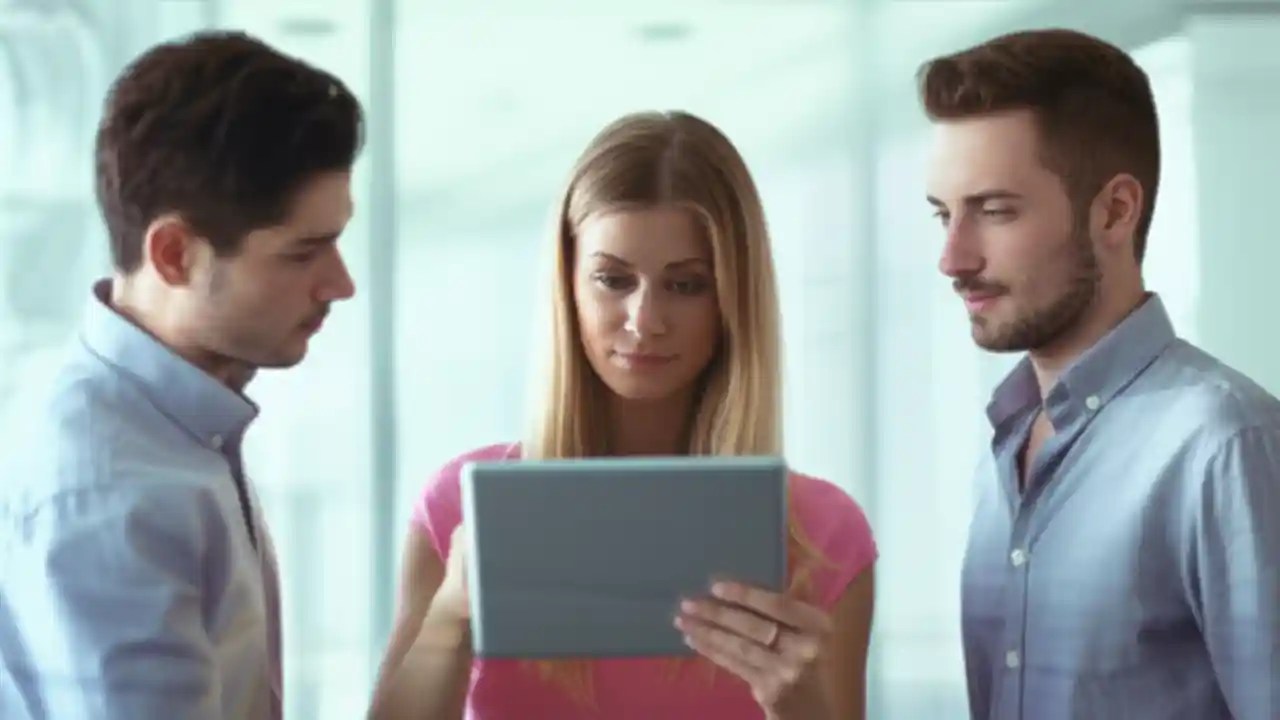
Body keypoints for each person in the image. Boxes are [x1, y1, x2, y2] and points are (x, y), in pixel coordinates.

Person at [368, 111, 877, 719]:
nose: (645, 320)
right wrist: (449, 620)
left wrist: (801, 706)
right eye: (612, 279)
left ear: (732, 297)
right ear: (569, 286)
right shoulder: (460, 509)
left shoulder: (823, 536)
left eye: (686, 285)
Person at [0, 31, 363, 719]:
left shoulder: (181, 434)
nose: (339, 284)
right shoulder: (111, 491)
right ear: (173, 255)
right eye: (302, 253)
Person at [920, 28, 1280, 720]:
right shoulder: (1004, 453)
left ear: (1115, 210)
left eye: (994, 211)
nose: (953, 258)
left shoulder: (1225, 445)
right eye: (943, 215)